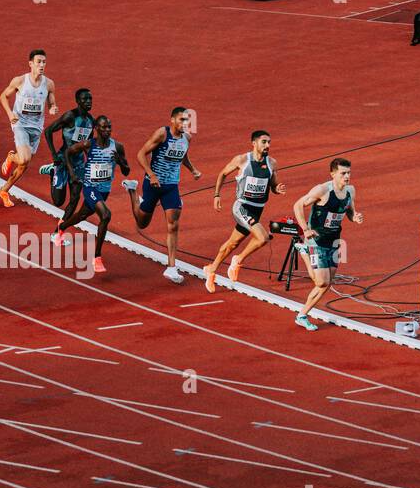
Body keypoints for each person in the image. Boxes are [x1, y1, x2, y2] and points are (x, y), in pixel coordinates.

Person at [121, 107, 201, 284]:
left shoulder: (187, 138)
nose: (184, 124)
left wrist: (193, 169)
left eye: (186, 121)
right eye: (181, 120)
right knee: (142, 223)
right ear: (172, 120)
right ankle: (133, 191)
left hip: (171, 186)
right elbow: (141, 154)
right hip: (153, 184)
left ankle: (171, 268)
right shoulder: (162, 134)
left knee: (173, 225)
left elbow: (183, 155)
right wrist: (151, 174)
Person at [203, 130, 285, 293]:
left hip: (257, 210)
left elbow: (273, 186)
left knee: (233, 243)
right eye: (264, 142)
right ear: (254, 143)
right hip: (241, 207)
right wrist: (217, 195)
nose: (268, 145)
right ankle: (238, 260)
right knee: (262, 238)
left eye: (269, 142)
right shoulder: (242, 160)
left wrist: (278, 189)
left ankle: (211, 270)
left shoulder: (272, 163)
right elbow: (222, 173)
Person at [292, 157, 363, 331]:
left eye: (348, 173)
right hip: (316, 240)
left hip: (335, 240)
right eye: (343, 173)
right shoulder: (322, 190)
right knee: (322, 282)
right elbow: (297, 205)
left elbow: (349, 210)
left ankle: (302, 315)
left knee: (327, 282)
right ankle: (302, 315)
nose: (347, 177)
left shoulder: (350, 191)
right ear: (333, 174)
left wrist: (355, 217)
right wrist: (305, 228)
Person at [53, 116, 129, 274]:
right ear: (96, 128)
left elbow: (126, 171)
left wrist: (120, 161)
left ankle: (62, 227)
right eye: (103, 127)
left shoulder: (118, 147)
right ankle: (97, 258)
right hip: (89, 187)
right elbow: (68, 152)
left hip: (104, 190)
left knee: (82, 215)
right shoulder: (89, 144)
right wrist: (72, 173)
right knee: (106, 215)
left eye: (109, 127)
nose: (107, 130)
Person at [0, 50, 58, 209]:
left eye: (44, 62)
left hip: (36, 127)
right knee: (24, 159)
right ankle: (12, 157)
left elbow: (51, 99)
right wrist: (10, 114)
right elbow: (3, 96)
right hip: (20, 124)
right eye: (38, 62)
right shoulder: (20, 81)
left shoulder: (49, 83)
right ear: (30, 64)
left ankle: (4, 190)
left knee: (24, 164)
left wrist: (52, 107)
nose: (42, 65)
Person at [39, 88, 95, 231]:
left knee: (75, 198)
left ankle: (58, 232)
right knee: (58, 201)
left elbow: (87, 144)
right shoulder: (69, 116)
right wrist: (53, 155)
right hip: (63, 161)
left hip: (79, 164)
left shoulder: (91, 121)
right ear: (77, 101)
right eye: (84, 99)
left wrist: (90, 162)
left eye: (90, 99)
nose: (88, 102)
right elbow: (48, 131)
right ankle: (53, 172)